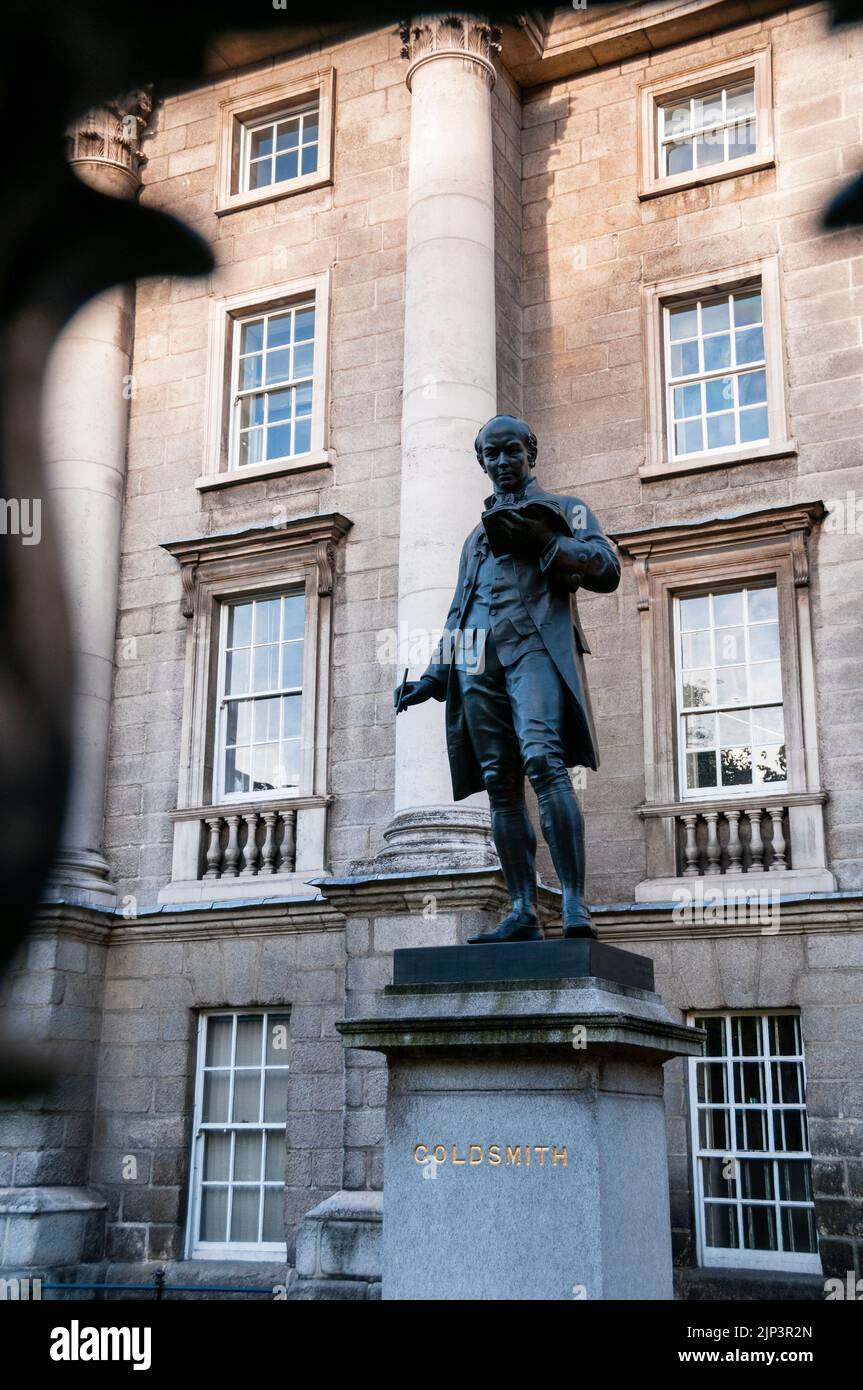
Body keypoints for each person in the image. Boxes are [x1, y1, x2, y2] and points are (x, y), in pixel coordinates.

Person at [395, 414, 620, 943]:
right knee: (499, 781)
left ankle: (572, 905)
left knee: (543, 760)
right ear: (482, 463)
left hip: (534, 651)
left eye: (511, 452)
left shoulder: (566, 510)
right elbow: (459, 608)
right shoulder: (475, 538)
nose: (502, 463)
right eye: (491, 456)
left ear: (530, 453)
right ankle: (520, 908)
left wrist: (548, 545)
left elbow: (607, 567)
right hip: (477, 663)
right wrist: (432, 676)